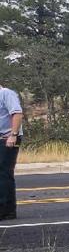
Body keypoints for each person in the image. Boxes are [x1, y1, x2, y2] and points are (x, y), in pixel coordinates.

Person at [0, 84, 22, 220]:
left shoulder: (6, 93)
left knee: (4, 173)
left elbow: (17, 114)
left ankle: (7, 210)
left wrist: (13, 135)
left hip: (9, 138)